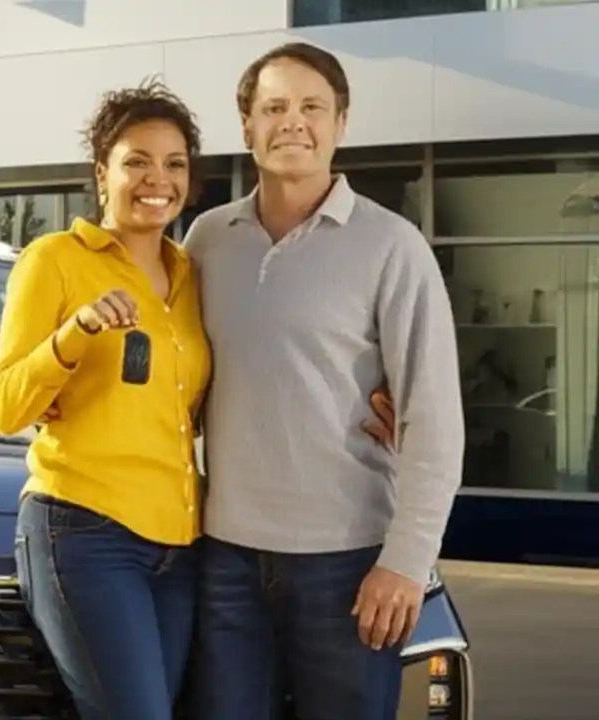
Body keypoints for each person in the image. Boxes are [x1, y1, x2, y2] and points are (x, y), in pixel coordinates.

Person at [182, 42, 465, 720]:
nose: (293, 122)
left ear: (341, 122)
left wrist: (406, 561)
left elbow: (433, 418)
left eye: (312, 106)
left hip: (348, 564)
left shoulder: (392, 246)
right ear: (246, 126)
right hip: (224, 561)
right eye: (274, 107)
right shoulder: (206, 240)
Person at [0, 78, 211, 719]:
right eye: (136, 161)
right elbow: (5, 407)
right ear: (102, 174)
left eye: (174, 164)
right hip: (85, 530)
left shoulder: (191, 273)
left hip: (181, 543)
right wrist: (74, 335)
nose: (157, 179)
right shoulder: (54, 259)